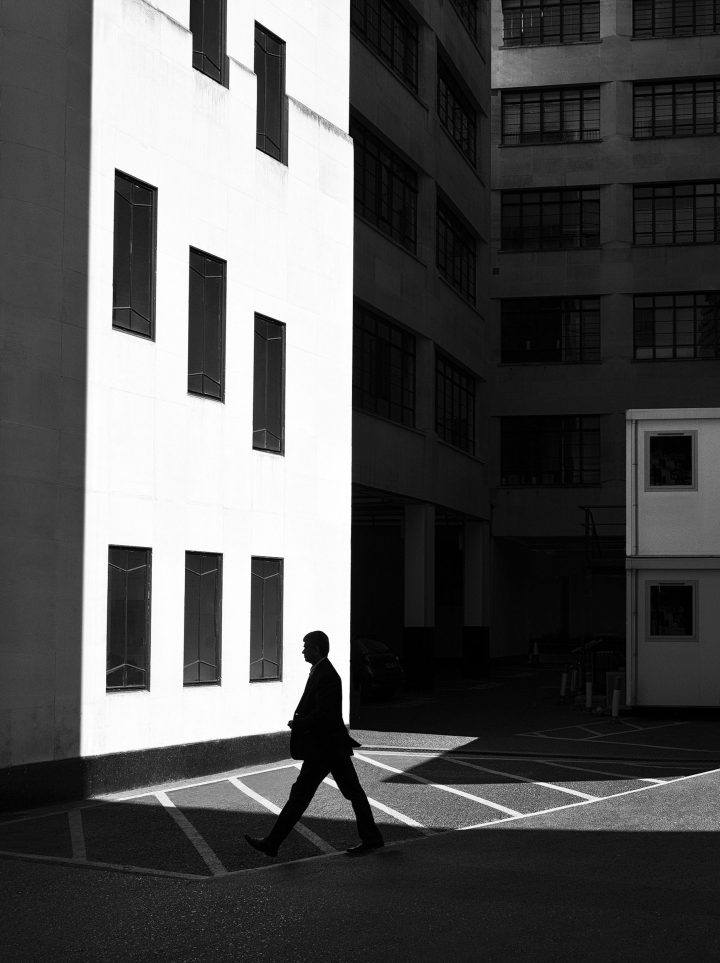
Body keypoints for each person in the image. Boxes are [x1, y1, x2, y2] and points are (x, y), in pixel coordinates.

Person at [244, 630, 384, 858]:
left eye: (306, 646)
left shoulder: (326, 675)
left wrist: (299, 723)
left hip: (325, 748)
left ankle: (273, 842)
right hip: (329, 747)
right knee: (343, 793)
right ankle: (372, 837)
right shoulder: (321, 672)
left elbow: (325, 715)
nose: (303, 651)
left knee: (304, 795)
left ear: (317, 649)